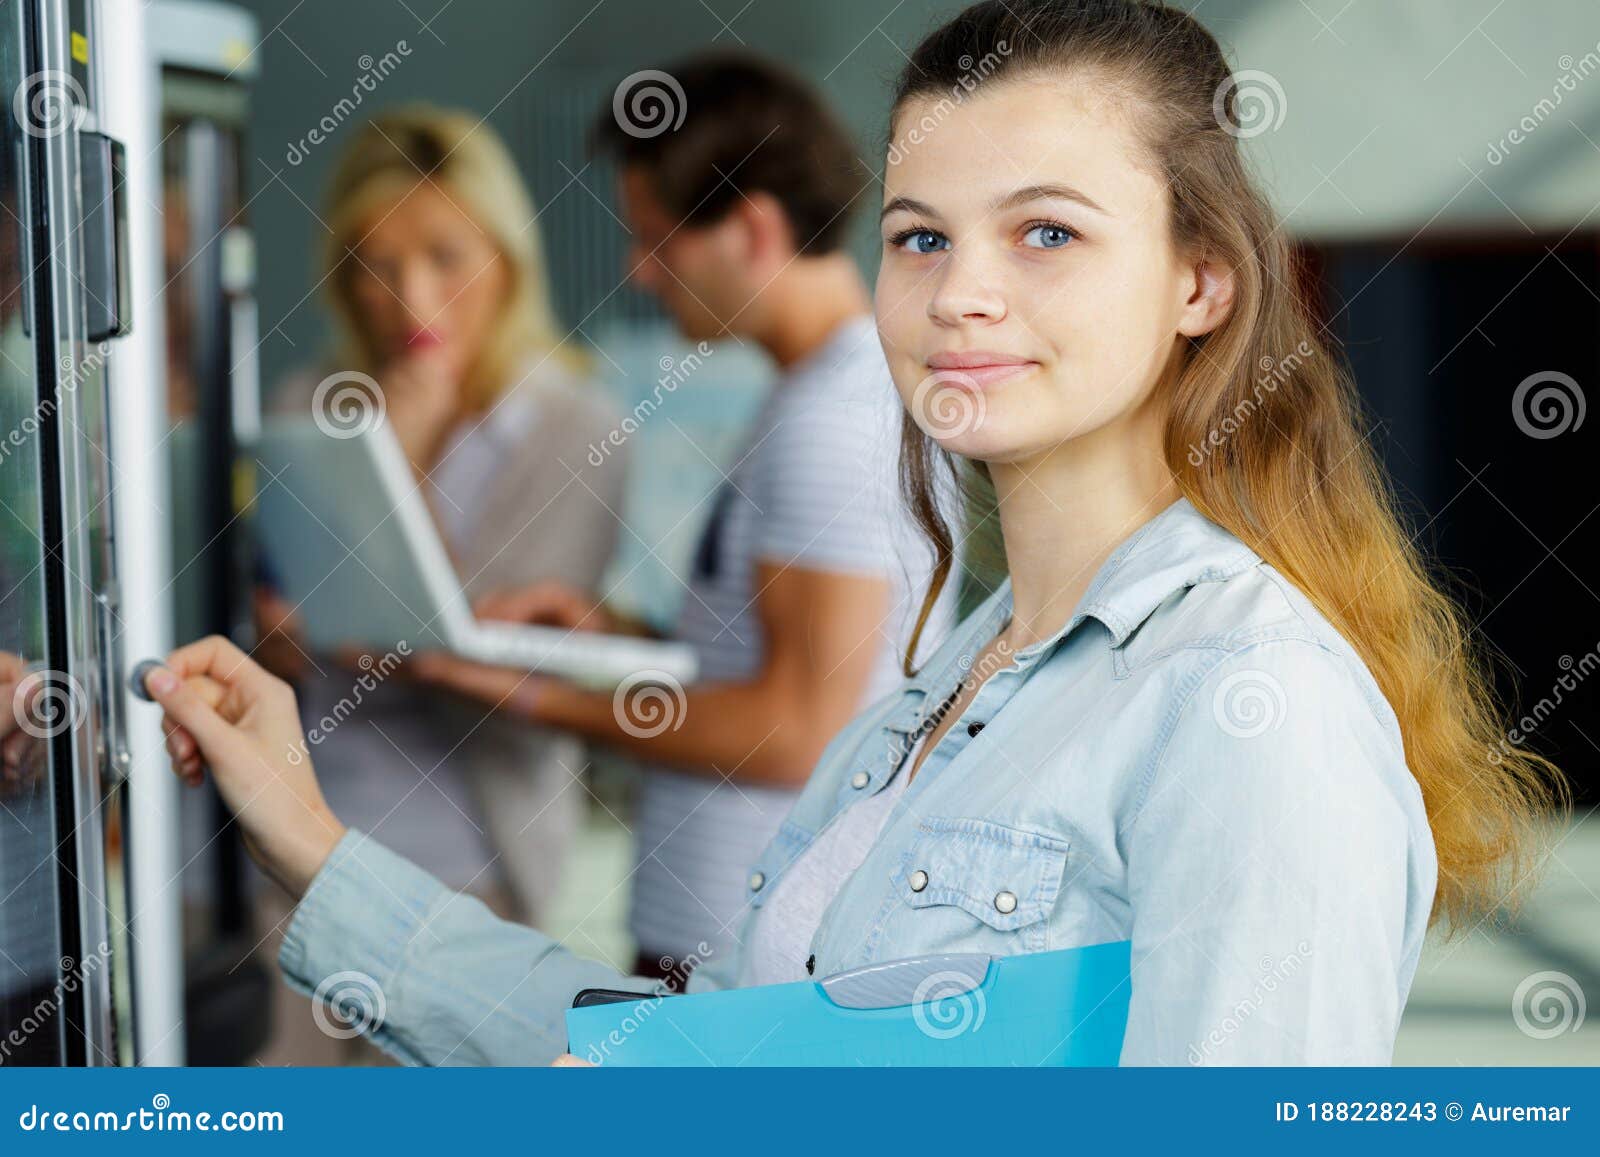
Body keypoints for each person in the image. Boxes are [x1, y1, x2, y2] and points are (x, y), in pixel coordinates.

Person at [149, 0, 1564, 1065]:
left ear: (1201, 280)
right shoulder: (934, 696)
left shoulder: (1248, 712)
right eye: (921, 235)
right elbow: (706, 1074)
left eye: (1048, 233)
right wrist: (313, 843)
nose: (960, 295)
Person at [407, 53, 951, 983]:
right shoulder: (808, 395)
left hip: (751, 962)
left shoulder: (838, 419)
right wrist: (614, 638)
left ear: (753, 229)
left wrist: (539, 697)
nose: (640, 272)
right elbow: (775, 667)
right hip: (722, 942)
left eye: (659, 241)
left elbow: (798, 729)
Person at [255, 107, 626, 934]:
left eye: (445, 259)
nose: (410, 298)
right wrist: (276, 632)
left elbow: (447, 641)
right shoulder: (300, 405)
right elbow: (276, 632)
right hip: (293, 846)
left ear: (506, 261)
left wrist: (402, 453)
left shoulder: (577, 429)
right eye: (374, 265)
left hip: (469, 864)